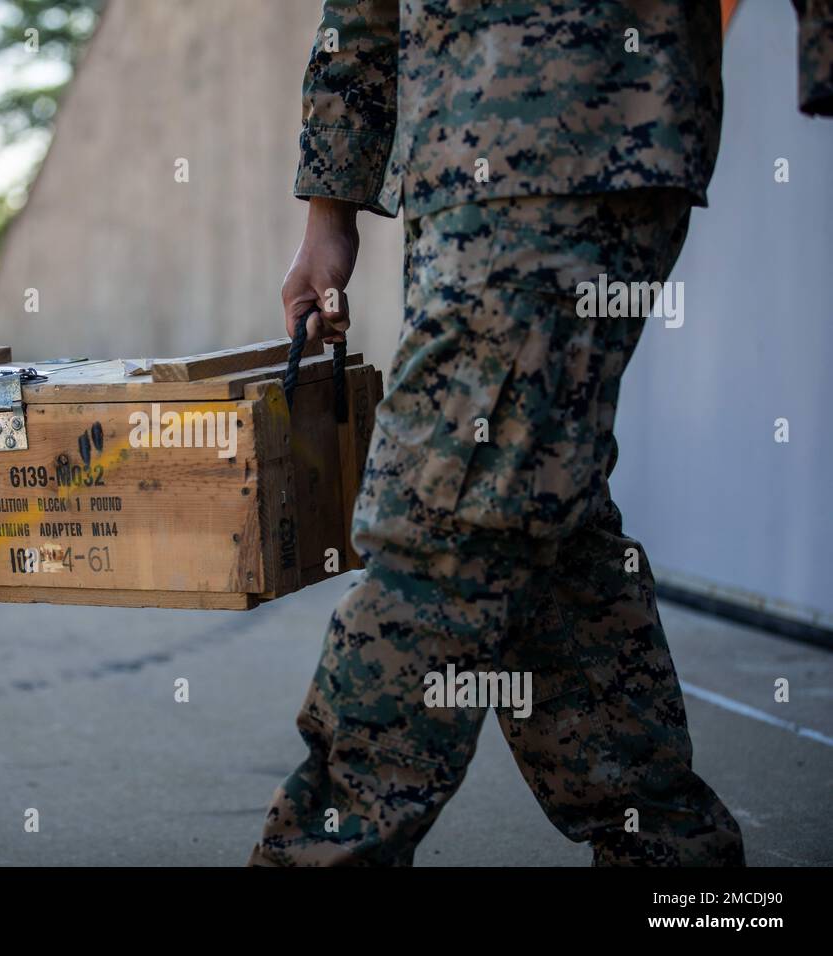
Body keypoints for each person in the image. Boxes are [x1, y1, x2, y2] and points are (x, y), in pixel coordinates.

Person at [252, 0, 832, 866]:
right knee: (544, 526)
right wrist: (328, 214)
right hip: (455, 167)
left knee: (442, 523)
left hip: (579, 127)